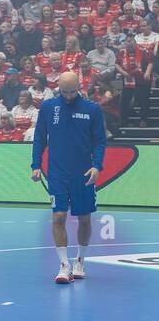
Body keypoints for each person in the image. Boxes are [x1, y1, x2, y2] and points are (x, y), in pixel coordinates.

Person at [31, 71, 106, 284]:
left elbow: (100, 141)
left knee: (84, 218)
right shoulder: (48, 107)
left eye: (73, 91)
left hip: (83, 174)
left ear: (79, 86)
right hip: (56, 173)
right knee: (58, 217)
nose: (69, 96)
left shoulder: (92, 109)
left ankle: (80, 260)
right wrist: (36, 165)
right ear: (59, 88)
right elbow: (39, 138)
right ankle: (64, 265)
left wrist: (97, 166)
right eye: (65, 92)